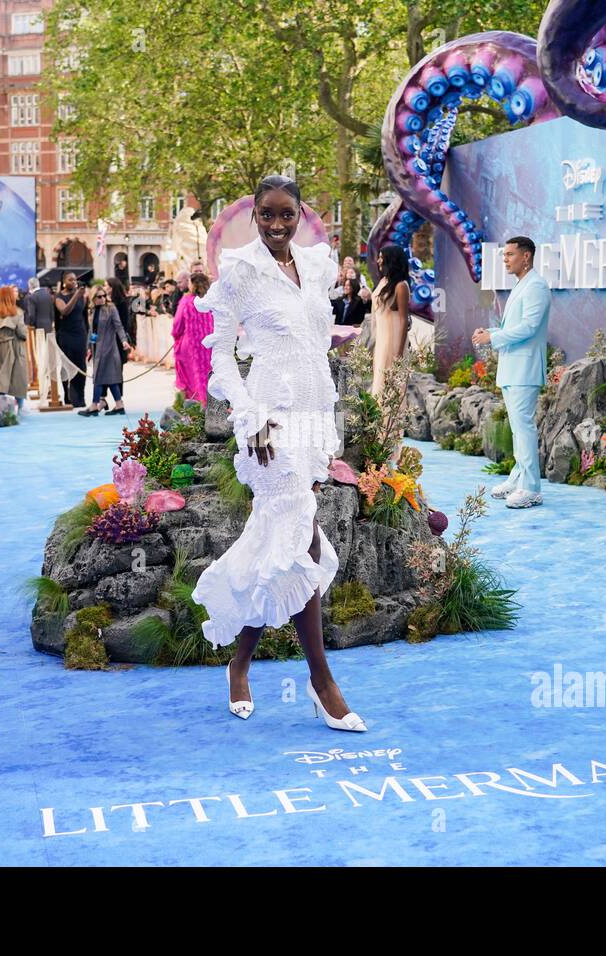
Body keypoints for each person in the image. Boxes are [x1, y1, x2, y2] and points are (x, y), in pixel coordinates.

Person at [191, 173, 364, 732]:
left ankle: (240, 663)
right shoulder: (239, 269)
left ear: (300, 214)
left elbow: (318, 336)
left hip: (314, 415)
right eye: (266, 214)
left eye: (286, 214)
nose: (276, 224)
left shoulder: (317, 265)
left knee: (281, 542)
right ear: (254, 216)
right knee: (301, 536)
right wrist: (249, 418)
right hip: (268, 419)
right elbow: (220, 356)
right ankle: (322, 681)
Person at [472, 236, 551, 509]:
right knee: (518, 430)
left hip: (525, 369)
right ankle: (518, 478)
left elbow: (529, 327)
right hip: (513, 368)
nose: (505, 259)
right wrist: (491, 333)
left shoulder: (537, 286)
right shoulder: (522, 285)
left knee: (524, 428)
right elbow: (515, 326)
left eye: (509, 254)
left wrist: (492, 339)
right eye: (504, 255)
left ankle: (531, 487)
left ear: (526, 256)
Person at [77, 285, 133, 416]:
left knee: (99, 378)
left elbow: (118, 326)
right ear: (93, 298)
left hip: (109, 349)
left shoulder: (111, 308)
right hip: (97, 349)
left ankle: (94, 406)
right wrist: (89, 347)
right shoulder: (92, 310)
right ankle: (119, 405)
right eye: (99, 296)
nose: (103, 299)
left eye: (104, 296)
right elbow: (92, 331)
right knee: (110, 379)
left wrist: (124, 341)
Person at [369, 244, 411, 397]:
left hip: (393, 343)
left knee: (390, 388)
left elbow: (403, 320)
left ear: (391, 260)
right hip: (381, 341)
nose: (378, 261)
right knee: (379, 385)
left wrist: (399, 352)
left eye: (381, 257)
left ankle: (391, 421)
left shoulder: (401, 286)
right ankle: (380, 421)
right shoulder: (384, 282)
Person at [170, 272, 213, 405]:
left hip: (190, 346)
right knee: (209, 375)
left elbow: (177, 325)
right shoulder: (212, 301)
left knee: (190, 379)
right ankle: (210, 404)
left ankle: (194, 407)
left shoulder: (187, 301)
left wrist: (177, 337)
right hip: (209, 344)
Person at [24, 276, 63, 406]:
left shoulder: (31, 297)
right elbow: (52, 313)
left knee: (40, 358)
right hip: (49, 329)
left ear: (30, 286)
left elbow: (31, 315)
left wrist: (30, 326)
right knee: (49, 358)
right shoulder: (47, 295)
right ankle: (51, 387)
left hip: (37, 331)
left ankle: (44, 386)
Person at [54, 273, 89, 407]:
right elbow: (64, 311)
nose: (73, 282)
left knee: (81, 366)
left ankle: (80, 397)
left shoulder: (83, 297)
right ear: (64, 282)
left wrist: (88, 336)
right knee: (66, 366)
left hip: (80, 334)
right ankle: (68, 396)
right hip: (65, 335)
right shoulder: (59, 297)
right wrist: (76, 296)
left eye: (75, 279)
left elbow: (84, 317)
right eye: (70, 279)